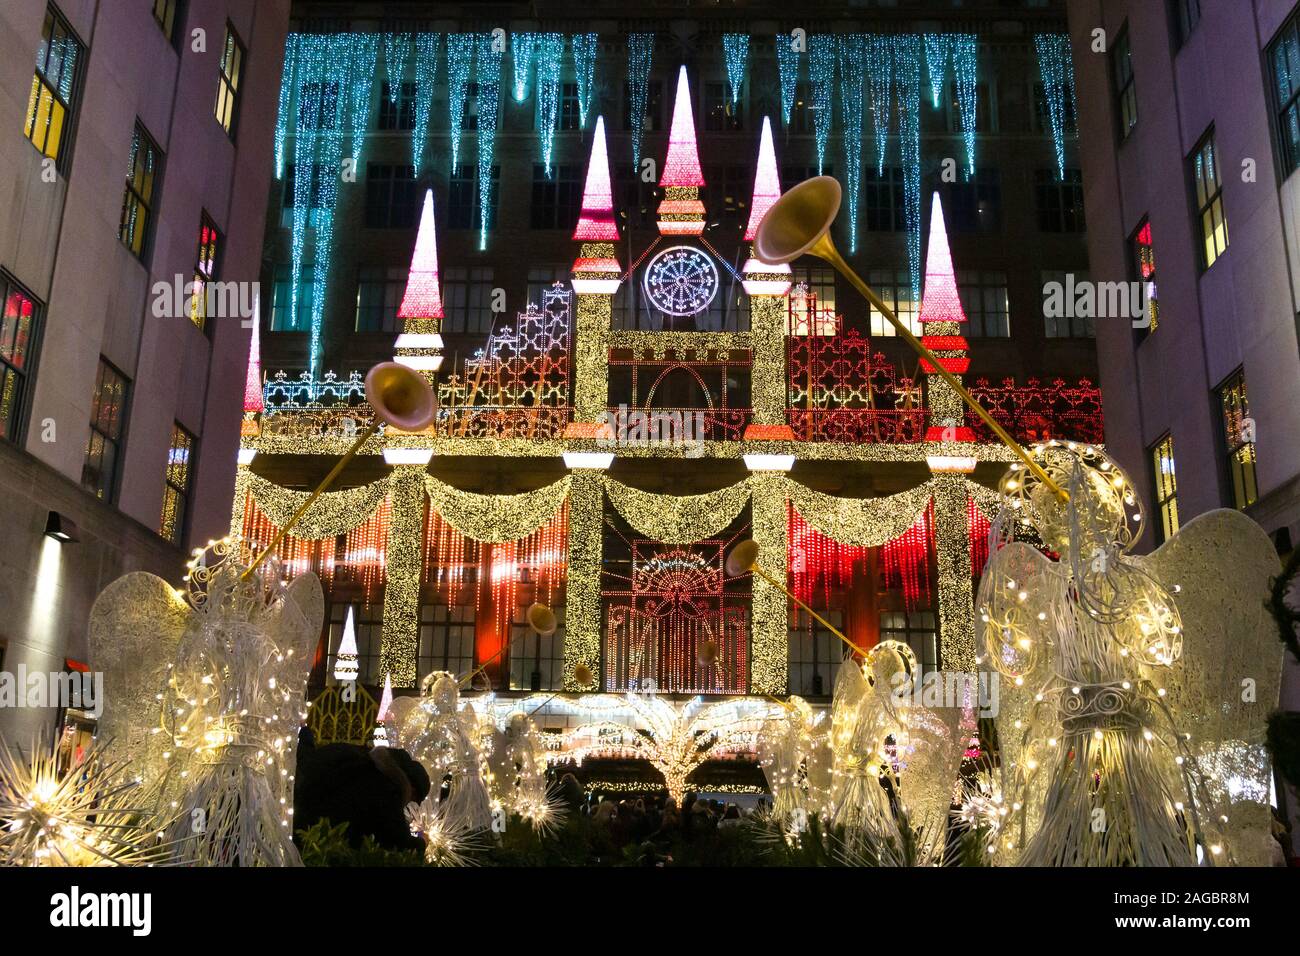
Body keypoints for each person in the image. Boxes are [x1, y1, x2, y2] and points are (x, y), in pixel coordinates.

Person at [292, 727, 430, 852]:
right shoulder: (385, 787)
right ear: (411, 787)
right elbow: (397, 842)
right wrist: (422, 842)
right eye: (413, 798)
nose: (407, 802)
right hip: (317, 844)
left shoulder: (361, 760)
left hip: (299, 828)